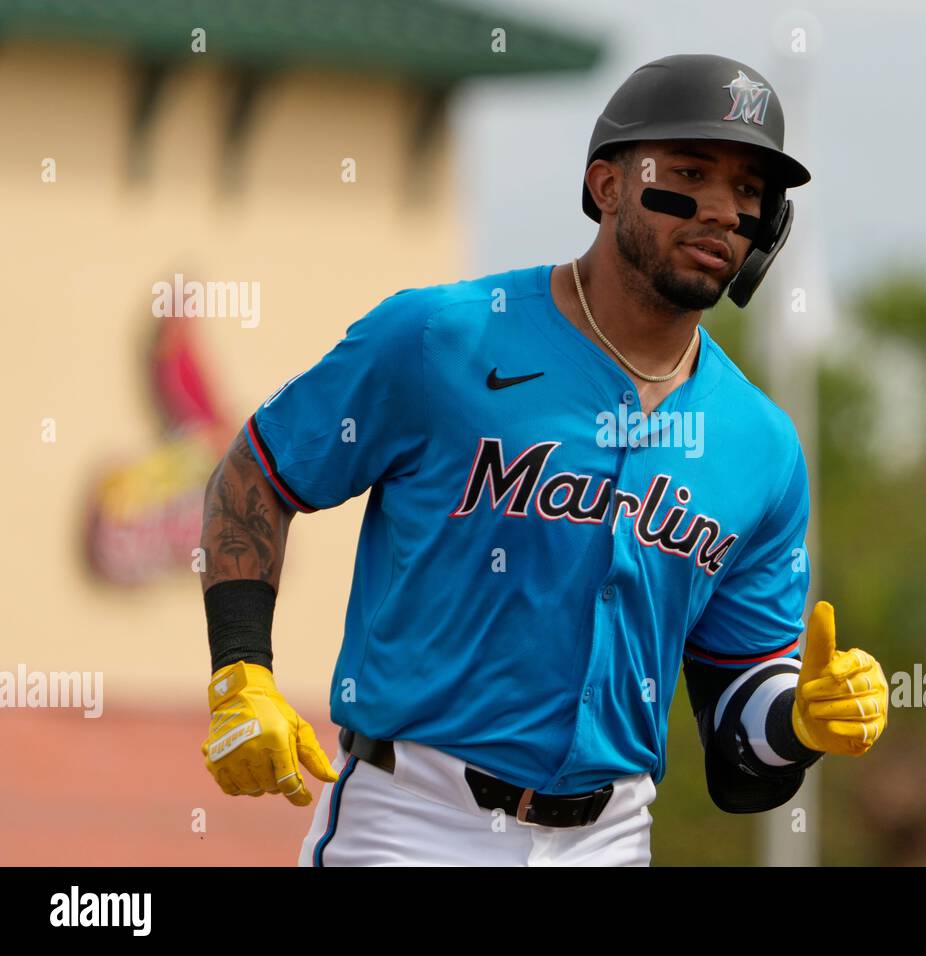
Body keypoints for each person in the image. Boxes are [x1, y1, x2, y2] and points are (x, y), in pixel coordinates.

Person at [198, 53, 888, 867]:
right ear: (606, 185)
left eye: (749, 191)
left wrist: (800, 722)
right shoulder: (441, 338)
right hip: (415, 820)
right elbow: (258, 472)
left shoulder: (761, 446)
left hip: (612, 837)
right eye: (692, 173)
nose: (722, 210)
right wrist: (241, 671)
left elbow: (741, 726)